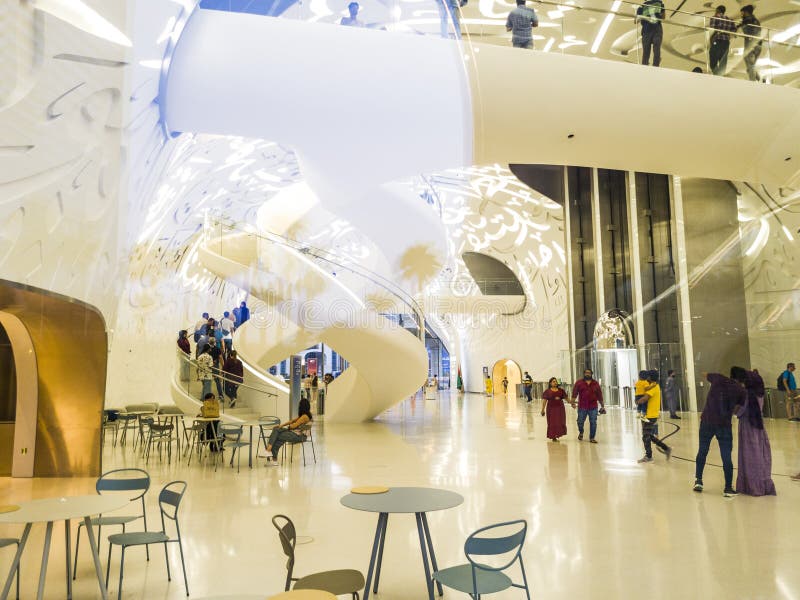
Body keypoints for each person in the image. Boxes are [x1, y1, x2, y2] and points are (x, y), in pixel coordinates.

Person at [693, 367, 747, 497]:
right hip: (724, 425)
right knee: (726, 455)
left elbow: (704, 372)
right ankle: (728, 488)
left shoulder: (718, 378)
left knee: (702, 450)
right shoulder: (741, 391)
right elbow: (736, 409)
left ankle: (698, 481)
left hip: (707, 420)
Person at [736, 370, 776, 496]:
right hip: (759, 427)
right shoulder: (760, 394)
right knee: (760, 454)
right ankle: (763, 483)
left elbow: (739, 411)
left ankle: (752, 486)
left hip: (748, 427)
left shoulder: (746, 395)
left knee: (750, 456)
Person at [637, 370, 672, 463]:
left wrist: (638, 401)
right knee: (649, 435)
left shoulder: (654, 387)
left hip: (650, 415)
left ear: (651, 377)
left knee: (645, 436)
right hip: (648, 415)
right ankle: (666, 448)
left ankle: (649, 456)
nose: (646, 378)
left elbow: (644, 399)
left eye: (648, 376)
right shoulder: (653, 386)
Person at [265, 398, 313, 464]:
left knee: (277, 435)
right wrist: (281, 425)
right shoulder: (305, 415)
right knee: (277, 431)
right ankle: (272, 456)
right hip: (296, 433)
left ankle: (270, 453)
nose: (298, 406)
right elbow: (292, 421)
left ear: (302, 406)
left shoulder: (304, 416)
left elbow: (294, 425)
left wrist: (284, 428)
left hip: (300, 436)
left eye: (299, 405)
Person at [571, 368, 605, 443]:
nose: (587, 374)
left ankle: (592, 437)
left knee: (593, 422)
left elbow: (599, 395)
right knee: (580, 421)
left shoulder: (595, 384)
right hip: (582, 406)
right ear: (584, 374)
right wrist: (572, 402)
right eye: (586, 372)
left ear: (591, 374)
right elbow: (574, 393)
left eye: (589, 373)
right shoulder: (579, 383)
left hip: (593, 406)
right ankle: (581, 432)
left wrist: (602, 405)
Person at [636, 0, 665, 67]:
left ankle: (646, 66)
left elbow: (636, 20)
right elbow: (663, 17)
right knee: (656, 49)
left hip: (649, 30)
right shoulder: (659, 3)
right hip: (654, 29)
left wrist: (641, 17)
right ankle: (655, 65)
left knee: (647, 51)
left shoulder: (641, 6)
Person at [708, 5, 735, 76]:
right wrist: (727, 33)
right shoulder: (730, 20)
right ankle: (721, 76)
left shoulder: (714, 18)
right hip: (726, 42)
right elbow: (734, 30)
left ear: (717, 10)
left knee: (713, 62)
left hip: (717, 40)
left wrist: (711, 40)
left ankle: (718, 76)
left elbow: (712, 29)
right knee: (723, 62)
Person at [738, 5, 761, 82]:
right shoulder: (756, 20)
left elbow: (737, 28)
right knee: (750, 63)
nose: (741, 15)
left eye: (742, 13)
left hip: (751, 45)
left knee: (750, 64)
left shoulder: (747, 20)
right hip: (758, 45)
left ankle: (753, 81)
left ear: (746, 12)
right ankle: (757, 77)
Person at [541, 377, 568, 442]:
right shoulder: (547, 391)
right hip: (551, 409)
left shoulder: (561, 390)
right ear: (550, 383)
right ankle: (553, 436)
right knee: (552, 422)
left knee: (560, 422)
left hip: (560, 409)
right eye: (553, 381)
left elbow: (567, 399)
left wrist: (572, 403)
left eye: (556, 381)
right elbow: (544, 400)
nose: (555, 382)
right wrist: (542, 409)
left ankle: (558, 434)